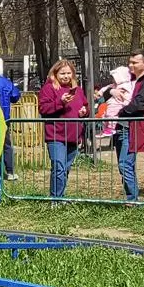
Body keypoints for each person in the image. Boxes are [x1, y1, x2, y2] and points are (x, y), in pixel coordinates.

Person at [95, 51, 144, 201]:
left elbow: (138, 104)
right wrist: (112, 90)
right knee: (123, 164)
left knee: (125, 163)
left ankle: (132, 199)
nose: (131, 65)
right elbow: (102, 97)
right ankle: (131, 196)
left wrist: (120, 113)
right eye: (130, 62)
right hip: (120, 126)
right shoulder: (126, 79)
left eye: (135, 62)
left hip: (133, 127)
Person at [37, 59, 88, 199]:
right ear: (55, 74)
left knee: (65, 169)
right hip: (56, 135)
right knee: (58, 168)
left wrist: (85, 111)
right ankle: (56, 199)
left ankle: (60, 195)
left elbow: (85, 105)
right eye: (62, 73)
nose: (66, 76)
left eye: (68, 73)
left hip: (73, 136)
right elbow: (43, 108)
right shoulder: (48, 89)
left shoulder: (78, 90)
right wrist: (60, 102)